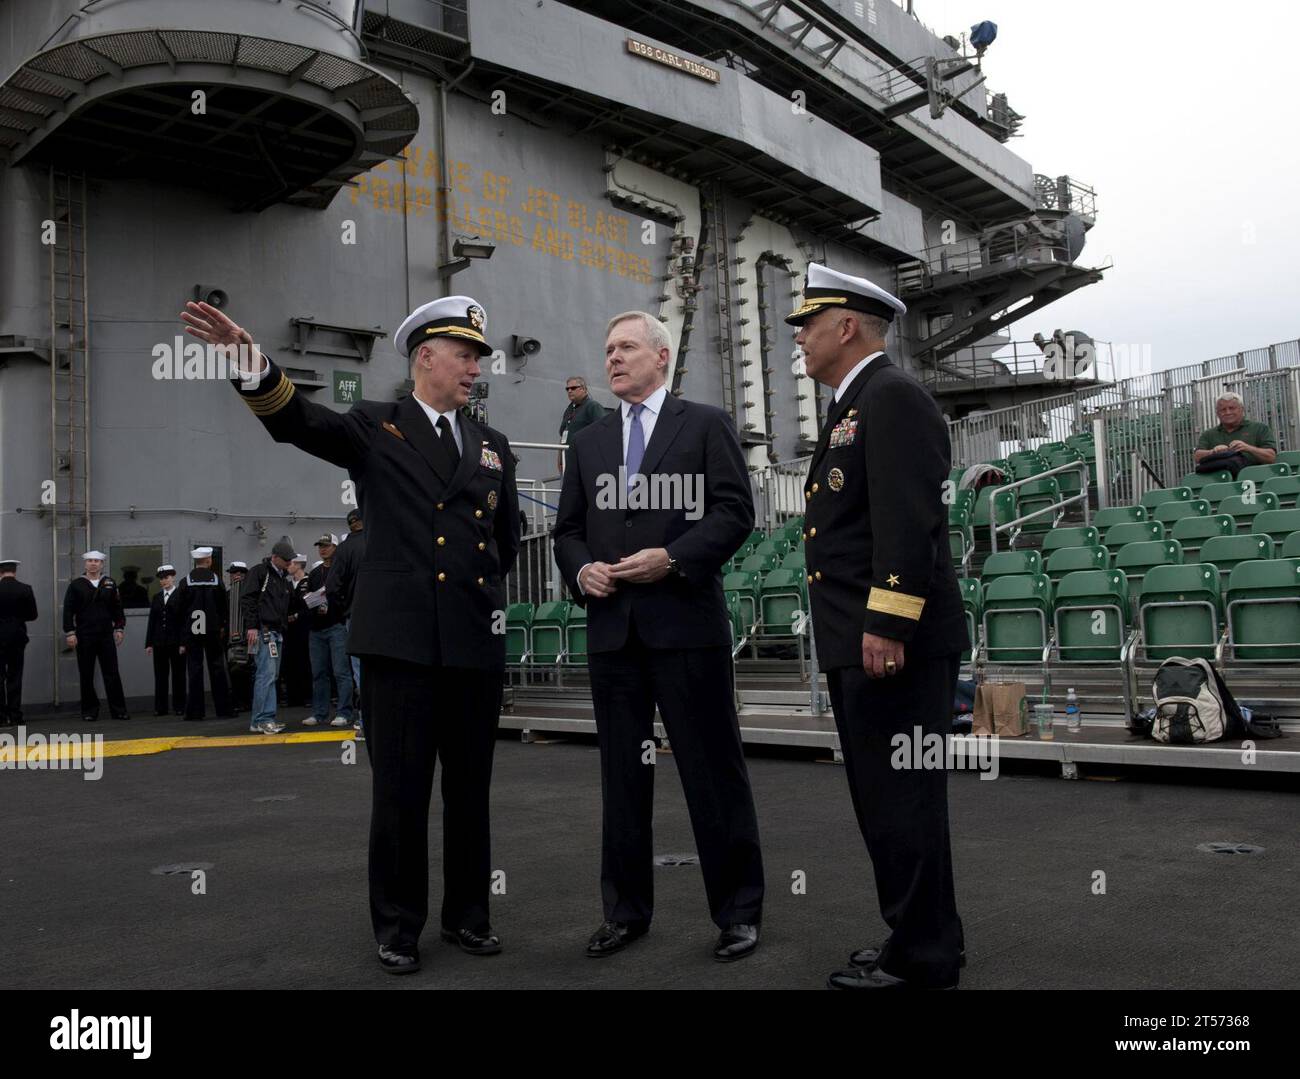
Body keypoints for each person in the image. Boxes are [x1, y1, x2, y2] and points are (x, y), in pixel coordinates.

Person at [181, 294, 520, 975]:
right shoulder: (377, 426)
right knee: (399, 793)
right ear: (426, 357)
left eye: (479, 358)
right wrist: (250, 364)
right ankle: (397, 925)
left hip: (470, 646)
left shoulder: (493, 447)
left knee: (471, 790)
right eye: (465, 356)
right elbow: (298, 422)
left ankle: (468, 915)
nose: (476, 369)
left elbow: (504, 541)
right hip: (399, 646)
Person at [553, 310, 765, 963]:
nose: (611, 357)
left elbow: (735, 512)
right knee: (622, 777)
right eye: (607, 347)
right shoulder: (589, 443)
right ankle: (624, 912)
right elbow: (567, 530)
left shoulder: (704, 424)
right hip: (614, 632)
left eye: (625, 347)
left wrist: (672, 558)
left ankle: (737, 912)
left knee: (712, 770)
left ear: (661, 357)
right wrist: (581, 567)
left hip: (685, 627)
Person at [789, 264, 968, 990]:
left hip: (893, 644)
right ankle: (920, 937)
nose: (798, 337)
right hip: (860, 640)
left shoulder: (889, 397)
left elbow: (908, 520)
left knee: (903, 801)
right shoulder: (854, 401)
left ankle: (924, 958)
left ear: (846, 325)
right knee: (887, 799)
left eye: (807, 323)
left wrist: (889, 625)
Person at [62, 550, 129, 722]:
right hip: (84, 635)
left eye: (97, 561)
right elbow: (68, 610)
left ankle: (119, 710)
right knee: (86, 673)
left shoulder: (110, 583)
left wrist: (119, 628)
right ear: (85, 564)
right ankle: (89, 711)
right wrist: (70, 632)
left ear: (102, 564)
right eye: (90, 561)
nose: (93, 564)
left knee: (112, 672)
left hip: (106, 634)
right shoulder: (76, 584)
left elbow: (117, 608)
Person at [239, 544, 296, 735]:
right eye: (286, 559)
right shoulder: (261, 573)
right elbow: (247, 599)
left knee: (270, 676)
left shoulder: (279, 576)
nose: (289, 562)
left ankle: (262, 719)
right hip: (265, 630)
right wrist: (252, 626)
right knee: (266, 675)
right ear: (275, 557)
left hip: (274, 630)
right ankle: (263, 719)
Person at [175, 546, 234, 722]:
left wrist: (183, 635)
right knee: (217, 668)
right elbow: (223, 606)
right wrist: (223, 625)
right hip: (213, 630)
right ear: (209, 560)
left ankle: (195, 712)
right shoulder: (216, 580)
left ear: (196, 561)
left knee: (194, 669)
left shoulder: (186, 581)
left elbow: (179, 609)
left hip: (193, 630)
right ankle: (224, 709)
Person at [306, 533, 353, 728]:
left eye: (326, 545)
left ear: (335, 547)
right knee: (319, 673)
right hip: (317, 628)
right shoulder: (315, 573)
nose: (322, 549)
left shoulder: (341, 570)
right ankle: (320, 713)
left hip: (336, 626)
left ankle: (344, 712)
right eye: (320, 546)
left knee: (341, 671)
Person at [144, 564, 187, 716]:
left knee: (178, 675)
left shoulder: (181, 596)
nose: (164, 581)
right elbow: (152, 621)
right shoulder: (156, 597)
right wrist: (149, 643)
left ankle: (179, 706)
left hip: (176, 642)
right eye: (161, 578)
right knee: (160, 675)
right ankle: (160, 707)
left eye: (166, 577)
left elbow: (184, 621)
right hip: (159, 642)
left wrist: (183, 642)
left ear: (173, 577)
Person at [0, 558, 38, 727]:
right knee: (15, 675)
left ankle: (1, 717)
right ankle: (15, 715)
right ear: (14, 571)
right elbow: (32, 615)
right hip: (17, 636)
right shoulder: (25, 589)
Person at [1194, 392, 1277, 467]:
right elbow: (1197, 457)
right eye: (1223, 409)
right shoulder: (1208, 434)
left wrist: (1247, 448)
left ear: (1242, 409)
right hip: (1219, 480)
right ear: (1217, 413)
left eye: (1232, 408)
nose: (1227, 412)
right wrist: (1213, 452)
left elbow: (1271, 457)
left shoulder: (1260, 428)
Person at [282, 553, 314, 709]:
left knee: (305, 661)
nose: (288, 567)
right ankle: (293, 697)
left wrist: (297, 615)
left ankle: (308, 695)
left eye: (291, 564)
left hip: (304, 628)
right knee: (290, 662)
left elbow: (312, 604)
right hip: (289, 630)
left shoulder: (309, 582)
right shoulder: (287, 585)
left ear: (299, 565)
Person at [557, 376, 605, 472]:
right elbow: (563, 436)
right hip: (567, 461)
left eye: (573, 388)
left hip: (585, 461)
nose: (569, 391)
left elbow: (602, 433)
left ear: (583, 389)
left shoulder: (593, 406)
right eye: (567, 389)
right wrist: (560, 459)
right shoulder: (569, 409)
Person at [226, 561, 253, 713]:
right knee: (234, 670)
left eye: (238, 573)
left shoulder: (248, 593)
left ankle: (246, 701)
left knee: (245, 671)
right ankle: (238, 701)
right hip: (231, 638)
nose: (234, 576)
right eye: (232, 573)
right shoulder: (229, 594)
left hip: (246, 637)